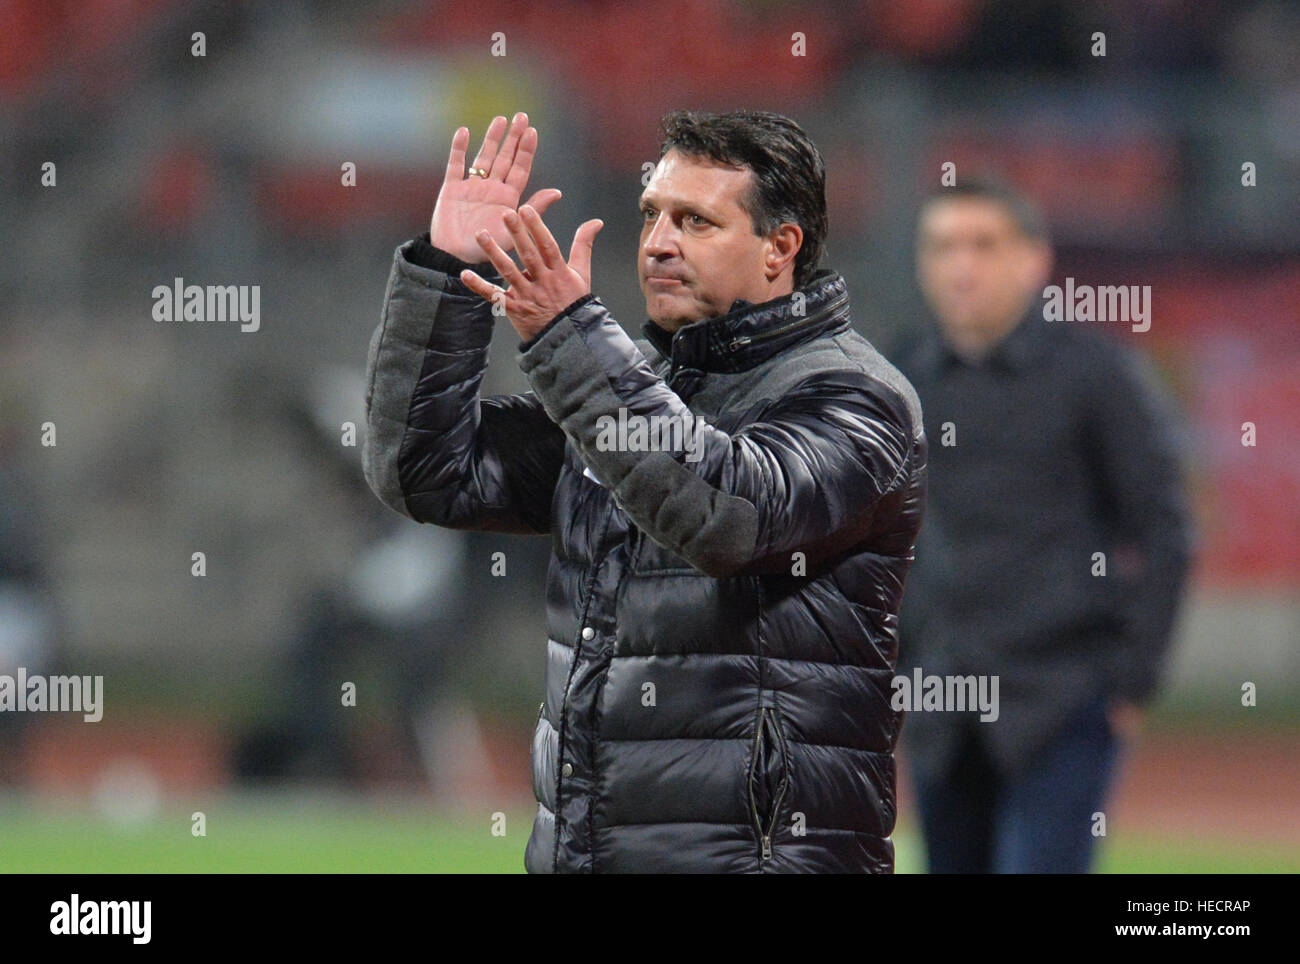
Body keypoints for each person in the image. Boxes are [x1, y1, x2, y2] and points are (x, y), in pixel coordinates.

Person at [362, 109, 927, 872]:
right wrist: (445, 274)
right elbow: (426, 471)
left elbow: (726, 517)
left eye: (695, 220)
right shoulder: (626, 388)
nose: (659, 241)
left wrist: (571, 338)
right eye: (652, 215)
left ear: (779, 248)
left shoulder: (856, 398)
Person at [892, 178, 1195, 873]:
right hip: (940, 705)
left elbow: (1166, 529)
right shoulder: (899, 378)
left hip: (1061, 700)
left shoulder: (1096, 375)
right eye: (942, 246)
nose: (961, 264)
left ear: (1034, 260)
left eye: (984, 244)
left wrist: (1131, 680)